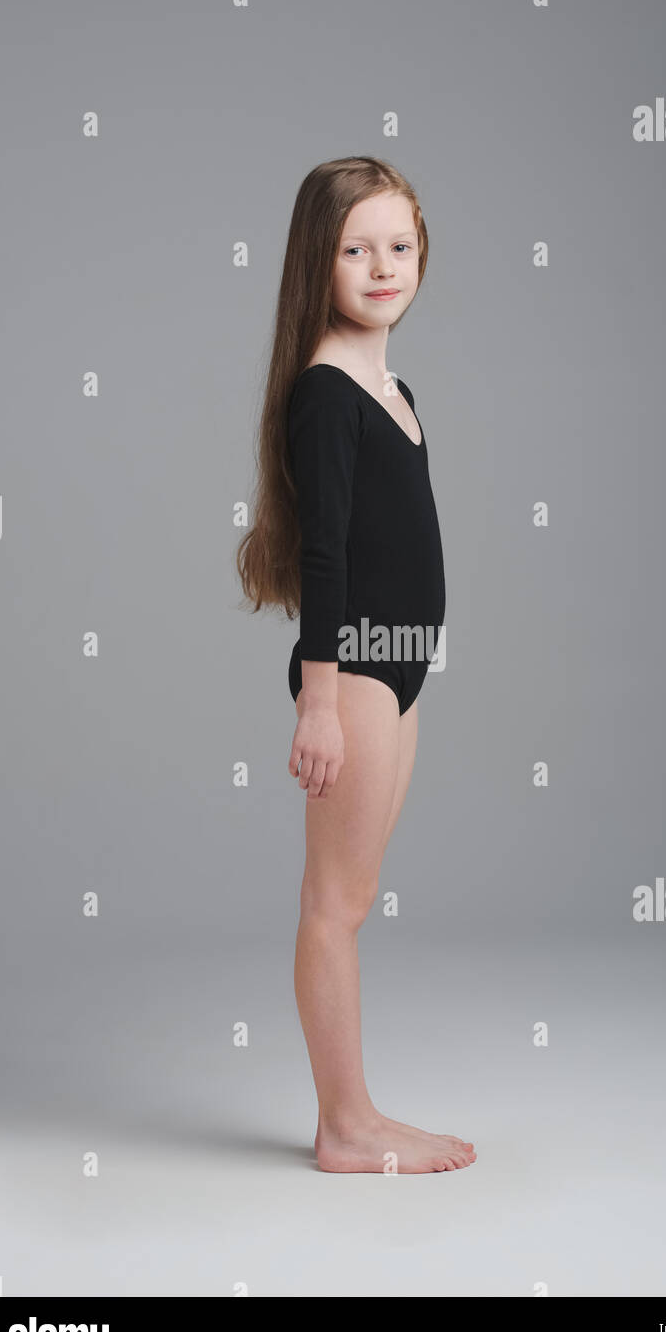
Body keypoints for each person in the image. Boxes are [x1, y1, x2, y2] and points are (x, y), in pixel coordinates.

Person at [237, 156, 475, 1174]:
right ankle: (347, 1125)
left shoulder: (391, 382)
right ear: (317, 262)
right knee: (331, 903)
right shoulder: (328, 391)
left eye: (399, 246)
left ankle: (358, 1111)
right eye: (356, 249)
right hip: (360, 673)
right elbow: (328, 553)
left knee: (356, 897)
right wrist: (319, 703)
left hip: (402, 664)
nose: (383, 267)